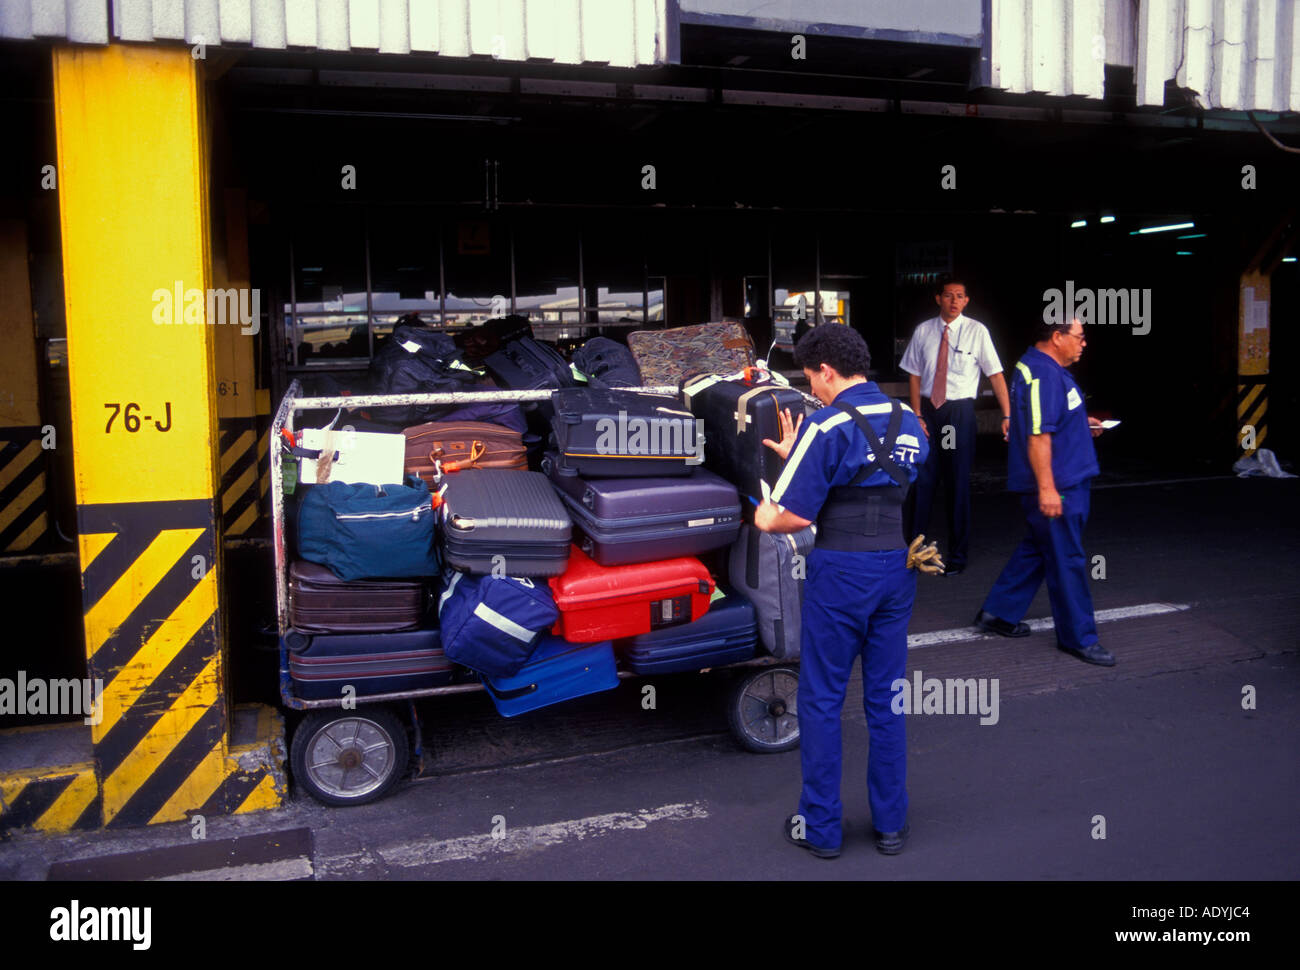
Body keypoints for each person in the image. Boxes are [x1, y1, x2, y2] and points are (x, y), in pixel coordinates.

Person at [754, 324, 929, 857]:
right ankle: (891, 825)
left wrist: (764, 515)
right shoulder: (912, 423)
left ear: (827, 371)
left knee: (822, 699)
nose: (813, 391)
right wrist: (800, 458)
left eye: (812, 380)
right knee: (886, 699)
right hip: (897, 568)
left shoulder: (826, 425)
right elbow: (875, 483)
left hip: (841, 573)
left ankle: (823, 830)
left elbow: (791, 515)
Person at [973, 317, 1114, 666]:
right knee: (1067, 558)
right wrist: (1048, 489)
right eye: (1079, 337)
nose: (1083, 344)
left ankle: (998, 612)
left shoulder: (1041, 369)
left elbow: (1047, 420)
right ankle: (1078, 638)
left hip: (1062, 480)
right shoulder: (1044, 375)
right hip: (1060, 485)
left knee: (1040, 545)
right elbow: (1038, 436)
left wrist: (1083, 424)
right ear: (1057, 336)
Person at [899, 277, 1011, 575]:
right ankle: (914, 552)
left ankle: (958, 556)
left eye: (959, 296)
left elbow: (996, 374)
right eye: (948, 296)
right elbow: (912, 373)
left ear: (966, 301)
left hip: (957, 415)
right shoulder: (923, 331)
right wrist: (917, 414)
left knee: (956, 482)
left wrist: (1007, 414)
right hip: (929, 415)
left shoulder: (977, 332)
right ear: (938, 299)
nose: (953, 301)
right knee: (922, 481)